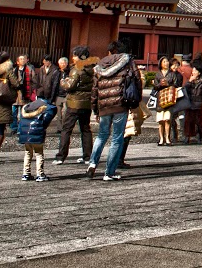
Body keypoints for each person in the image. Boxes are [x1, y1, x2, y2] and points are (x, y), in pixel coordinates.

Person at [88, 40, 139, 180]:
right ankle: (109, 172)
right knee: (117, 138)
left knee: (102, 135)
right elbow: (137, 80)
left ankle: (92, 163)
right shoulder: (128, 62)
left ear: (110, 51)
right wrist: (136, 102)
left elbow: (94, 90)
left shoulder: (100, 65)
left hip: (104, 106)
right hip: (120, 104)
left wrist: (95, 109)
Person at [55, 46, 94, 164]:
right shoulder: (91, 69)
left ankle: (61, 156)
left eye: (74, 55)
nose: (73, 57)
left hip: (74, 103)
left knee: (66, 129)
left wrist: (63, 81)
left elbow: (70, 85)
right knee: (85, 129)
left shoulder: (77, 69)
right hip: (86, 103)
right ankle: (87, 156)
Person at [15, 93, 57, 182]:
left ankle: (26, 173)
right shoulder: (46, 107)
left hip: (25, 134)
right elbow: (45, 121)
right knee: (39, 154)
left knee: (28, 153)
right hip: (36, 133)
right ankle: (40, 174)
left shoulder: (27, 107)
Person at [154, 56, 180, 146]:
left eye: (167, 61)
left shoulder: (172, 74)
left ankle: (168, 138)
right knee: (160, 121)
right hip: (160, 98)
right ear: (161, 63)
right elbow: (155, 86)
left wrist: (168, 84)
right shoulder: (157, 74)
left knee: (167, 119)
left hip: (169, 98)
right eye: (164, 62)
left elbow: (176, 85)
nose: (166, 63)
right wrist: (160, 84)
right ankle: (161, 138)